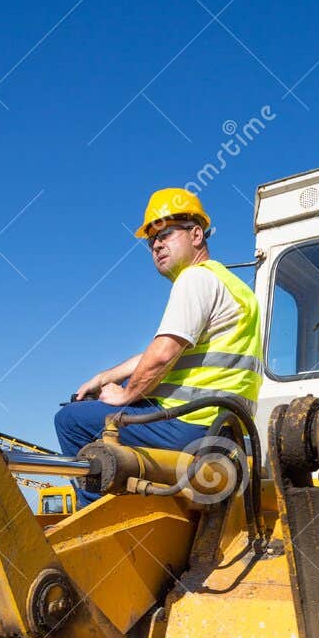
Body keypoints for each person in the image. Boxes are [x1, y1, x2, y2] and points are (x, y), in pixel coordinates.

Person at [54, 188, 263, 506]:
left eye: (166, 233)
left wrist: (125, 395)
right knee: (124, 389)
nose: (156, 245)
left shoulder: (194, 280)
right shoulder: (234, 287)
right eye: (151, 239)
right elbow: (161, 352)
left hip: (191, 426)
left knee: (71, 420)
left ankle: (95, 517)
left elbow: (162, 354)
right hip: (227, 429)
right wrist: (103, 377)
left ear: (196, 235)